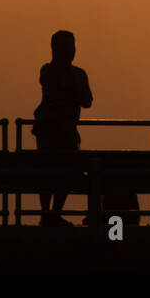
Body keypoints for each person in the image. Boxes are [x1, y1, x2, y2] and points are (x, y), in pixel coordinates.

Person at [32, 30, 93, 227]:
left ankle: (54, 213)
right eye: (66, 47)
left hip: (67, 131)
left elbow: (87, 100)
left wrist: (71, 90)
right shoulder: (48, 70)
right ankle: (46, 214)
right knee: (46, 173)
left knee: (68, 173)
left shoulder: (78, 73)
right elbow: (55, 84)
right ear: (55, 49)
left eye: (73, 47)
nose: (71, 51)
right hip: (49, 130)